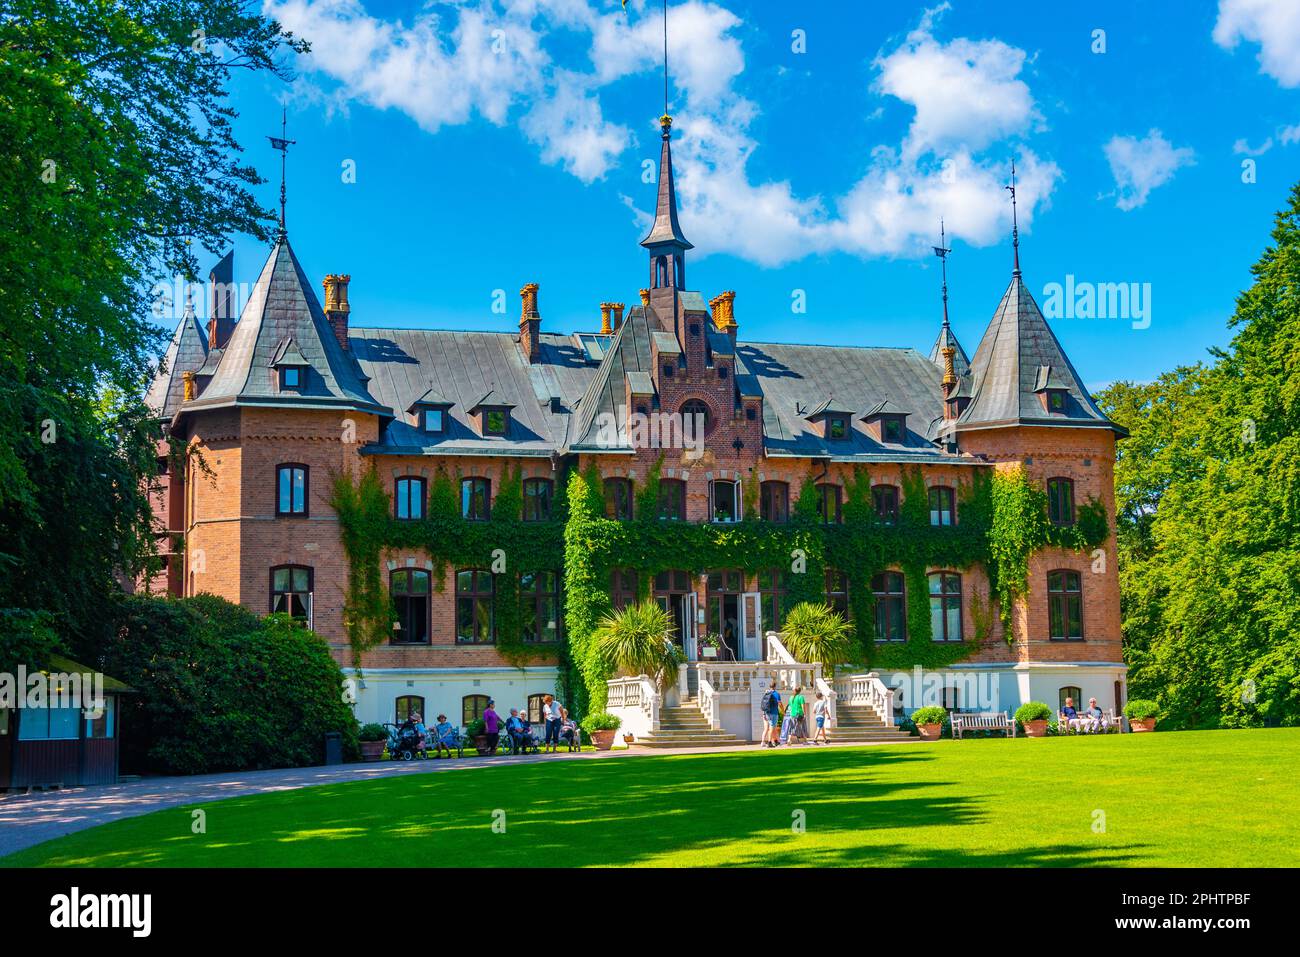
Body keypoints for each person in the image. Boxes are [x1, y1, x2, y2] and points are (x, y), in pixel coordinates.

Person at [759, 680, 782, 748]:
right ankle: (769, 742)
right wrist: (783, 711)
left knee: (773, 728)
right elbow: (780, 703)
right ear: (775, 686)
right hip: (774, 712)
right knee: (771, 728)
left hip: (767, 712)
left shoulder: (766, 693)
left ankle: (776, 741)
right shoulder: (776, 694)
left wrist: (763, 713)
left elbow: (764, 704)